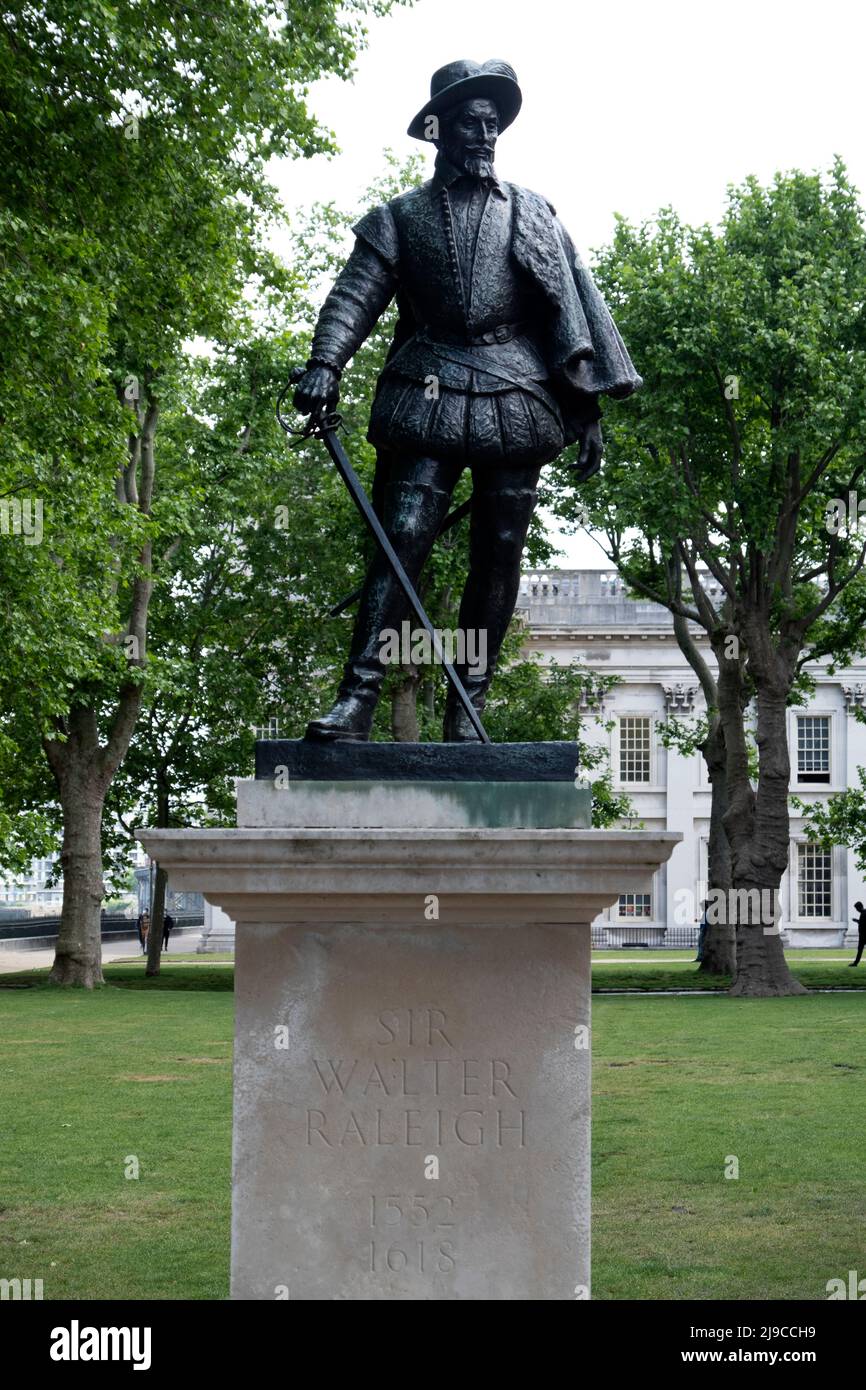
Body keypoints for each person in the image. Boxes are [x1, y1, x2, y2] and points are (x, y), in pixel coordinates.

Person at [292, 58, 640, 742]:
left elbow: (570, 306)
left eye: (492, 124)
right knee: (403, 536)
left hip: (517, 392)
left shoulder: (535, 212)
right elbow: (355, 297)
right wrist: (324, 363)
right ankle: (358, 698)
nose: (483, 135)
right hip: (429, 385)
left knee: (501, 546)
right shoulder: (400, 217)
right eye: (469, 124)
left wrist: (587, 406)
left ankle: (467, 707)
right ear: (438, 130)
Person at [849, 900, 866, 966]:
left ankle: (855, 963)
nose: (856, 910)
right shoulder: (863, 913)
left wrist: (856, 921)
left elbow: (863, 924)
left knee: (860, 949)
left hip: (864, 935)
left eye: (856, 908)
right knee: (860, 949)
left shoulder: (864, 913)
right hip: (862, 935)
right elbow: (862, 923)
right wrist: (857, 920)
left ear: (859, 907)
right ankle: (855, 963)